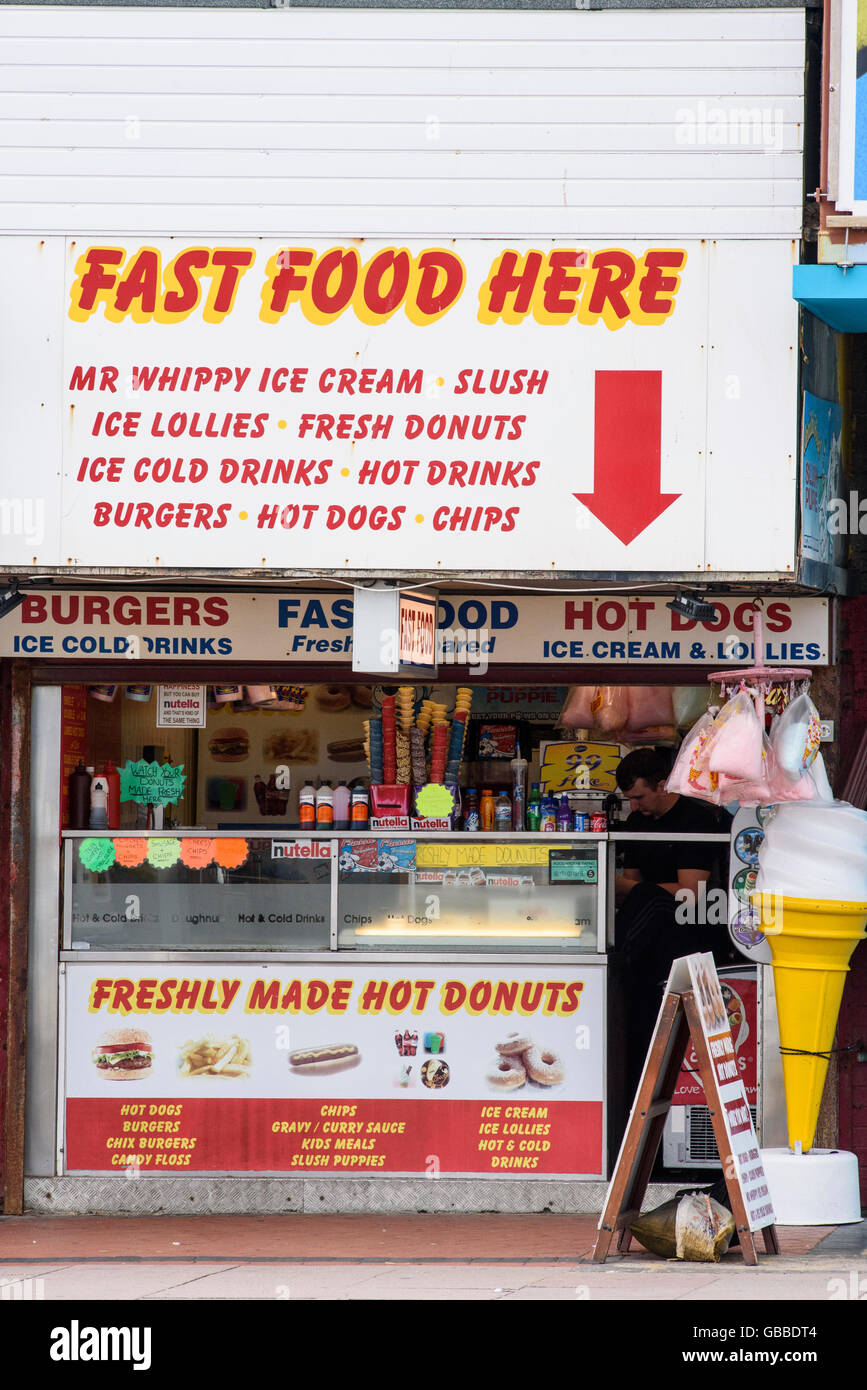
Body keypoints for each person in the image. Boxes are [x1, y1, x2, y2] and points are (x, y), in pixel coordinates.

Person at [612, 747, 732, 1102]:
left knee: (649, 898)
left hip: (691, 932)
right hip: (649, 934)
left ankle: (617, 968)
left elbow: (689, 893)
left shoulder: (695, 820)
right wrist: (632, 889)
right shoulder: (636, 824)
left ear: (663, 785)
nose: (633, 806)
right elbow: (629, 891)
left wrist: (635, 889)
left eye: (639, 797)